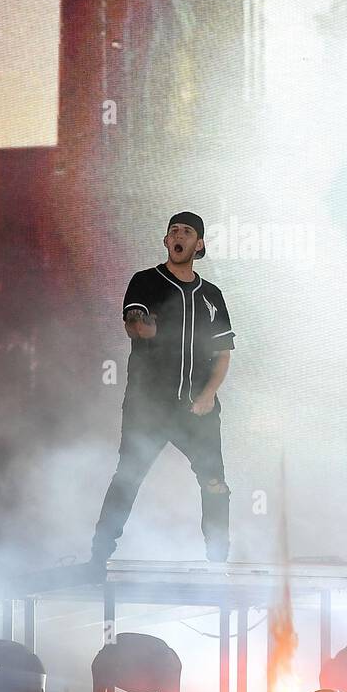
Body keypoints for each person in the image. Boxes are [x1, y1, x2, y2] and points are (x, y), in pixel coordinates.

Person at [88, 212, 236, 571]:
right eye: (173, 232)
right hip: (148, 406)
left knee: (214, 481)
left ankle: (218, 560)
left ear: (199, 244)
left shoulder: (211, 295)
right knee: (129, 474)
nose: (178, 236)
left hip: (196, 409)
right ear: (167, 242)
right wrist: (143, 327)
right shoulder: (145, 281)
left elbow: (223, 354)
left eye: (187, 231)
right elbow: (134, 325)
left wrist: (207, 395)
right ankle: (98, 555)